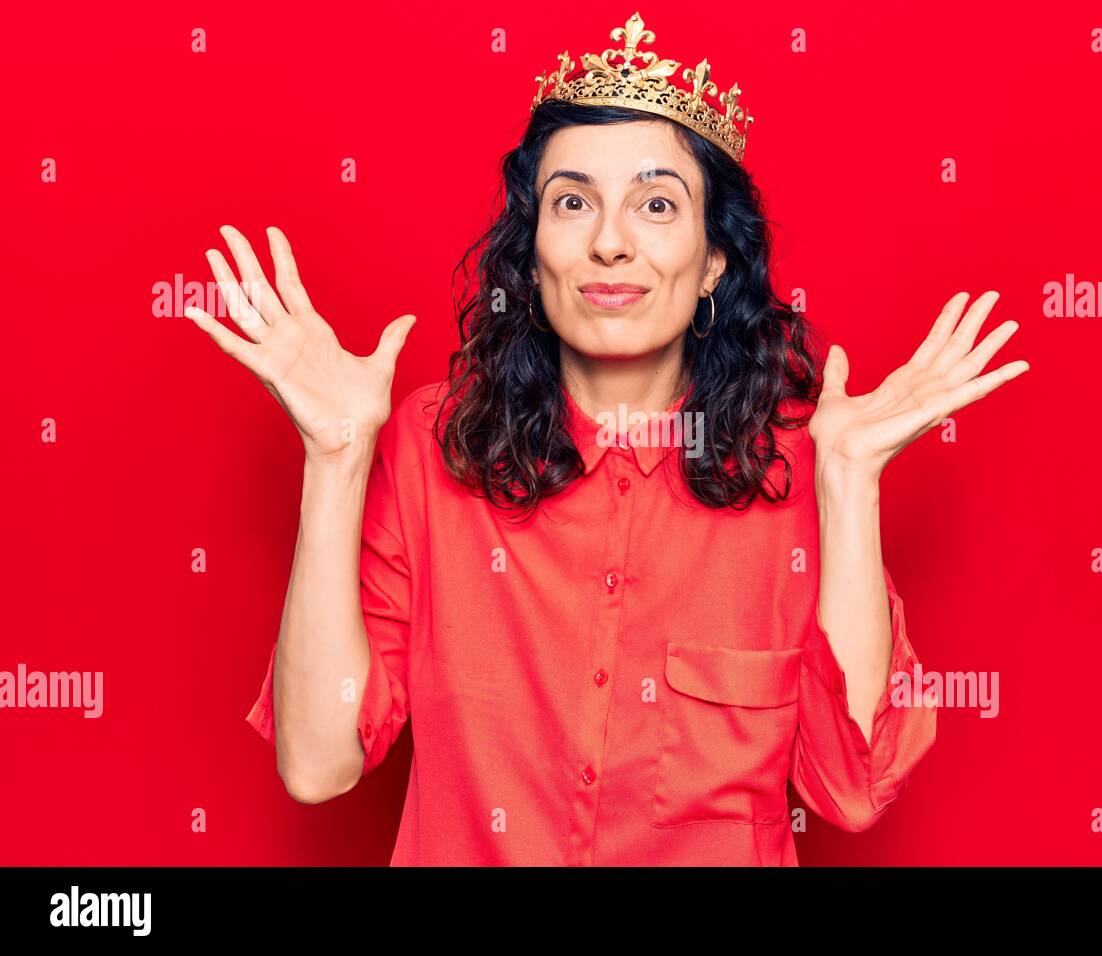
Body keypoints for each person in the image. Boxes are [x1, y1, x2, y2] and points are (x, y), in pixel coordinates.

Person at [185, 11, 1028, 865]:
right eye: (573, 202)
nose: (611, 242)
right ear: (533, 249)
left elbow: (849, 791)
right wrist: (334, 460)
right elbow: (318, 761)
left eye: (656, 204)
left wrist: (849, 486)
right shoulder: (431, 447)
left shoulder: (801, 468)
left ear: (711, 263)